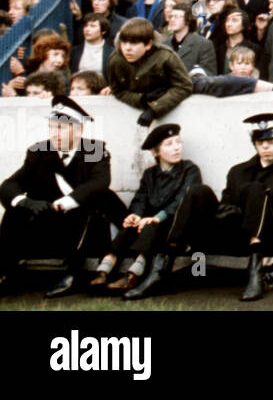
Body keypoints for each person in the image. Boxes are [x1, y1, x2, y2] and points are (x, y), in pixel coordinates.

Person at [169, 113, 273, 301]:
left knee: (256, 190)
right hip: (238, 234)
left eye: (271, 140)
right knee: (198, 191)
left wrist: (254, 210)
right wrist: (234, 213)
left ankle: (255, 276)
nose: (265, 146)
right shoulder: (238, 171)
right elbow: (226, 204)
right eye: (259, 141)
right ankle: (164, 265)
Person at [0, 96, 123, 297]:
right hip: (49, 226)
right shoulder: (40, 150)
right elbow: (10, 185)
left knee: (94, 204)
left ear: (79, 129)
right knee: (15, 211)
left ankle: (72, 276)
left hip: (85, 228)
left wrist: (67, 202)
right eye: (52, 127)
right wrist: (26, 202)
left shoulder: (93, 149)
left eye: (61, 128)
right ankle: (7, 272)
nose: (55, 133)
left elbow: (100, 183)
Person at [89, 123, 203, 299]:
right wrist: (134, 215)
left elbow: (181, 200)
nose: (176, 148)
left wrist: (156, 218)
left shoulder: (189, 170)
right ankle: (104, 269)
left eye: (178, 142)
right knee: (130, 227)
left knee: (151, 227)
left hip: (172, 225)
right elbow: (140, 198)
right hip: (149, 222)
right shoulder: (150, 174)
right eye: (169, 144)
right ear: (156, 152)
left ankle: (134, 274)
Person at [107, 17, 193, 125]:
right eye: (124, 43)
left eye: (134, 43)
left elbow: (184, 86)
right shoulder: (116, 59)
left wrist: (155, 108)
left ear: (148, 44)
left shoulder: (166, 56)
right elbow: (118, 90)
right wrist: (140, 99)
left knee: (204, 85)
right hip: (139, 105)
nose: (127, 48)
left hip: (169, 101)